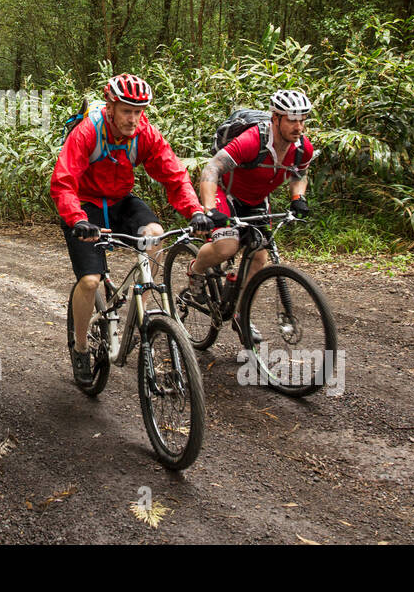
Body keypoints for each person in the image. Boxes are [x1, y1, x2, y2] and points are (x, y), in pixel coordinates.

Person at [51, 73, 212, 386]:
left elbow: (174, 176)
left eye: (139, 111)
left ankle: (147, 315)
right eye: (127, 110)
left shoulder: (145, 134)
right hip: (85, 207)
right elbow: (64, 181)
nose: (133, 118)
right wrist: (77, 218)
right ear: (110, 108)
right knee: (89, 280)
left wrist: (195, 210)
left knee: (153, 232)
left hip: (121, 201)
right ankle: (81, 347)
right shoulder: (88, 132)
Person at [187, 89, 315, 340]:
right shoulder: (251, 141)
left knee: (259, 257)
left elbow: (300, 174)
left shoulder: (302, 149)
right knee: (226, 247)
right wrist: (210, 209)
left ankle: (241, 314)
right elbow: (211, 169)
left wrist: (298, 197)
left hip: (257, 201)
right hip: (226, 193)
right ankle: (196, 269)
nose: (298, 126)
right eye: (292, 119)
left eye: (302, 120)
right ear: (276, 118)